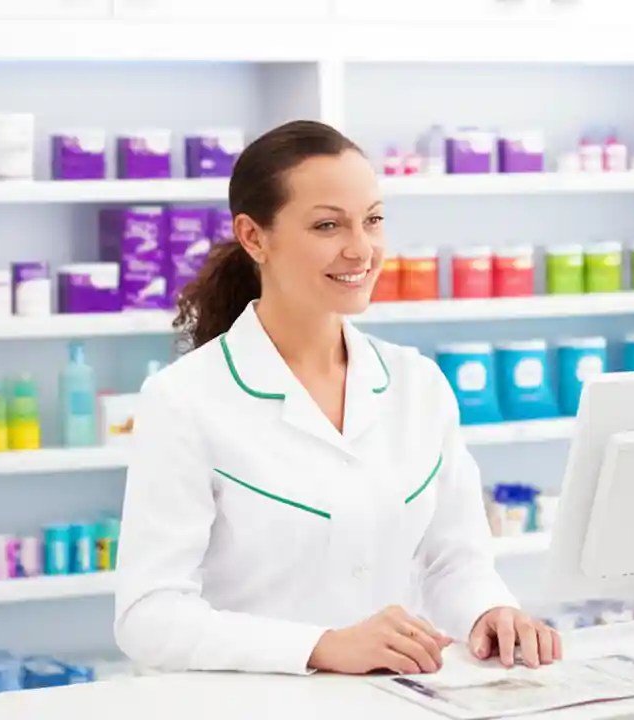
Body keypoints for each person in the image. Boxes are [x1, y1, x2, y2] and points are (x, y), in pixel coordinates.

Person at [114, 120, 561, 677]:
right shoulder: (184, 399)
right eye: (328, 225)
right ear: (255, 237)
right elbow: (148, 615)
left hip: (398, 699)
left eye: (372, 220)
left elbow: (455, 560)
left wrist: (489, 611)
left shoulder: (416, 384)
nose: (361, 250)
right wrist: (320, 646)